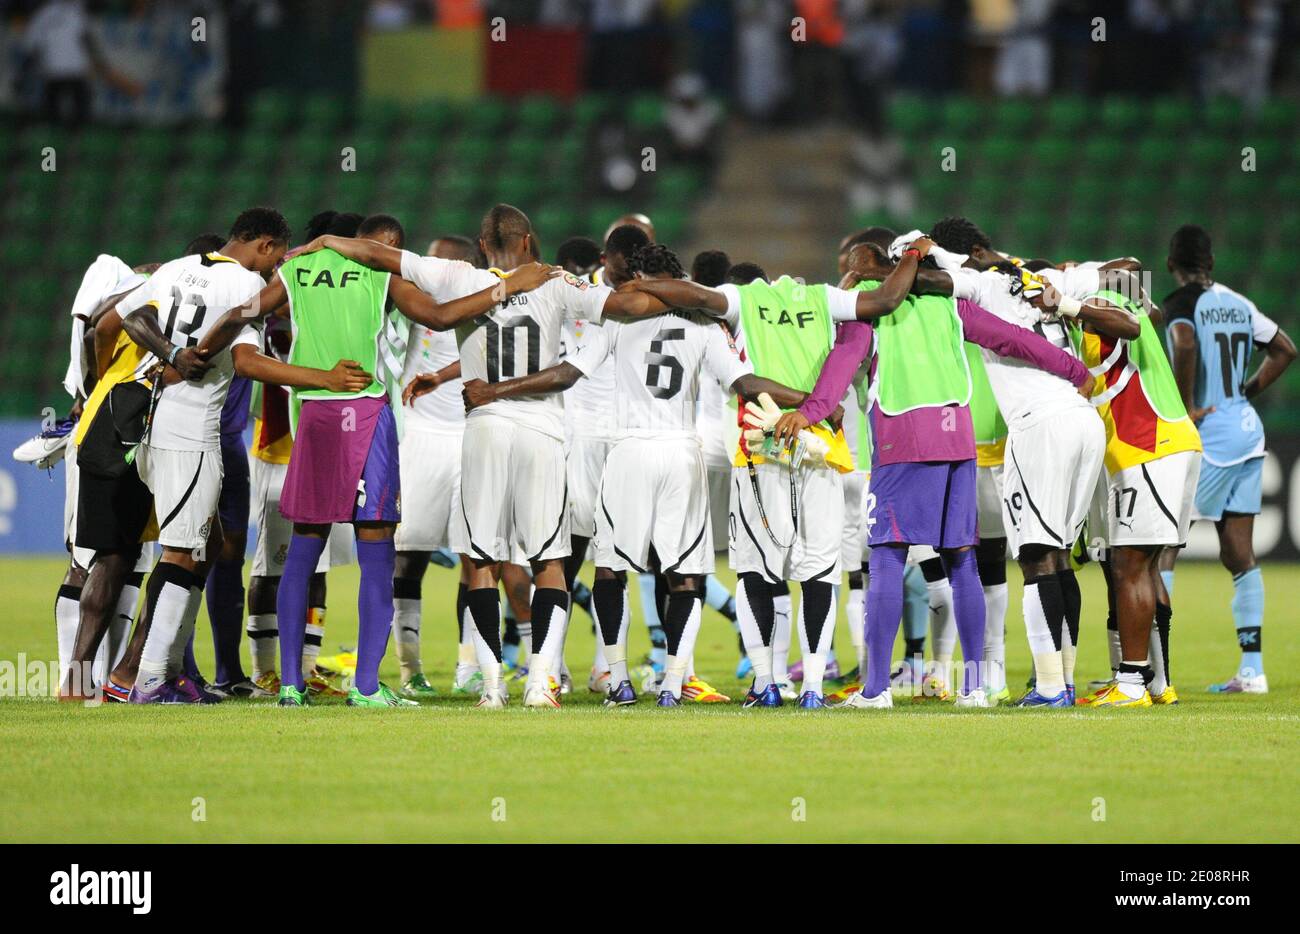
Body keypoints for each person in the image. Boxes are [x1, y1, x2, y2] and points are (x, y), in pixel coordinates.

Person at [309, 204, 667, 709]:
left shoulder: (455, 276)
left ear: (482, 245)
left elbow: (378, 254)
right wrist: (688, 295)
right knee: (550, 560)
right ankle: (542, 682)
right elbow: (630, 308)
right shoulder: (556, 280)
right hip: (543, 430)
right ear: (528, 242)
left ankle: (493, 685)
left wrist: (326, 242)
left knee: (480, 559)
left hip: (485, 429)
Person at [199, 212, 556, 708]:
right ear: (375, 246)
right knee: (377, 549)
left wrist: (198, 350)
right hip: (365, 414)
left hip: (315, 418)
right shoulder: (381, 276)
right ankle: (366, 686)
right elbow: (441, 317)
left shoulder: (295, 271)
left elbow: (243, 312)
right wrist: (508, 286)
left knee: (304, 547)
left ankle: (288, 685)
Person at [773, 237, 1093, 709]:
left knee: (885, 556)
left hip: (903, 439)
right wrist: (1072, 368)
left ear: (871, 269)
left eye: (853, 269)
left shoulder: (870, 312)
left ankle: (877, 690)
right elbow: (1014, 338)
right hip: (957, 439)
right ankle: (975, 688)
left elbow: (841, 367)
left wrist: (811, 411)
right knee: (961, 557)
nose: (847, 278)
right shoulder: (950, 307)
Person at [624, 239, 932, 707]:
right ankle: (811, 689)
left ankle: (766, 684)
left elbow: (693, 294)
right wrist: (911, 256)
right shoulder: (823, 299)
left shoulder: (741, 299)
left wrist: (632, 289)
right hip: (819, 451)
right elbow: (888, 299)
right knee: (819, 573)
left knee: (756, 572)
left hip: (759, 449)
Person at [114, 209, 375, 703]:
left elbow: (134, 317)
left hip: (151, 422)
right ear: (264, 244)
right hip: (191, 431)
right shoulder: (241, 287)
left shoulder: (177, 267)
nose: (274, 269)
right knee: (181, 551)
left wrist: (169, 353)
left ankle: (169, 673)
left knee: (202, 546)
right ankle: (148, 678)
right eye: (276, 256)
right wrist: (325, 379)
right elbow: (249, 363)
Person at [1161, 225, 1295, 695]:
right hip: (1247, 431)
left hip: (1210, 436)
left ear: (1171, 264)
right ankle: (1253, 671)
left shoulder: (1181, 305)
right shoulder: (1238, 303)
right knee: (1238, 552)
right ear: (1211, 263)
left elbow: (1184, 343)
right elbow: (1285, 350)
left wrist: (1184, 410)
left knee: (1163, 544)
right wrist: (1245, 392)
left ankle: (1154, 670)